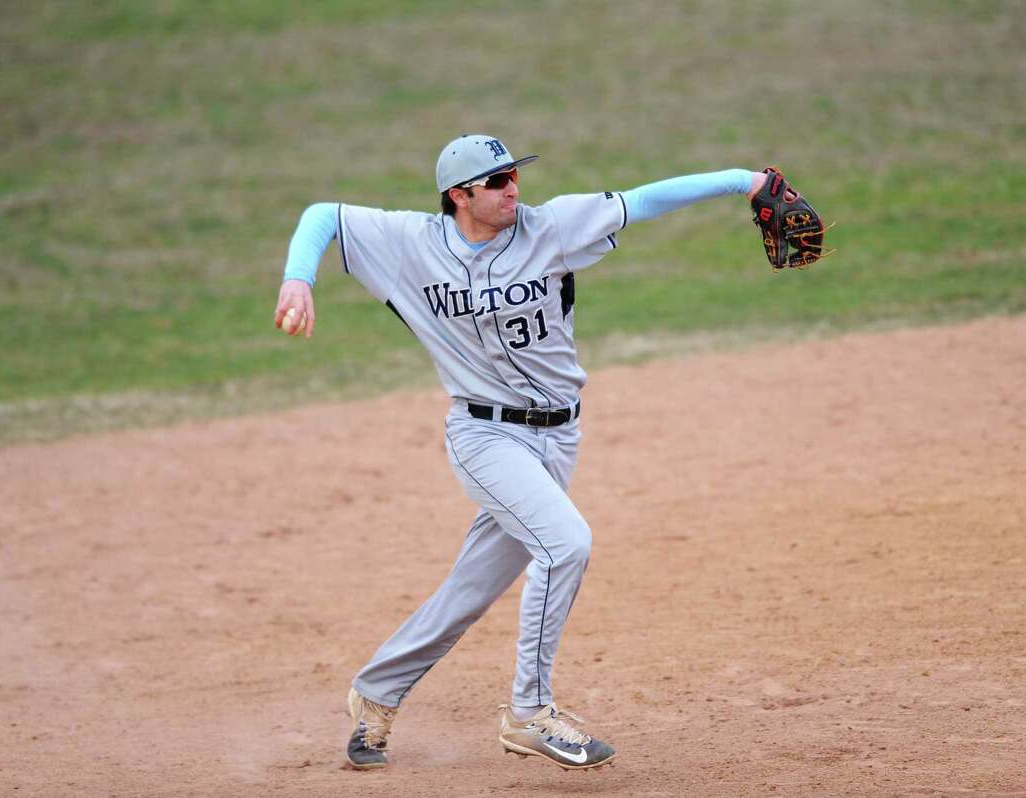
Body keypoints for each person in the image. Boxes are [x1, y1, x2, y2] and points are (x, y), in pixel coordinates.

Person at [274, 134, 769, 772]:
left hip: (558, 440)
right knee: (566, 544)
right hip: (484, 437)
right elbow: (324, 216)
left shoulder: (551, 227)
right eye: (497, 181)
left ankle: (377, 692)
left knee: (472, 587)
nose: (513, 189)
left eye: (514, 175)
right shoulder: (411, 244)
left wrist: (744, 181)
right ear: (460, 196)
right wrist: (298, 278)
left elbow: (643, 201)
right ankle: (529, 713)